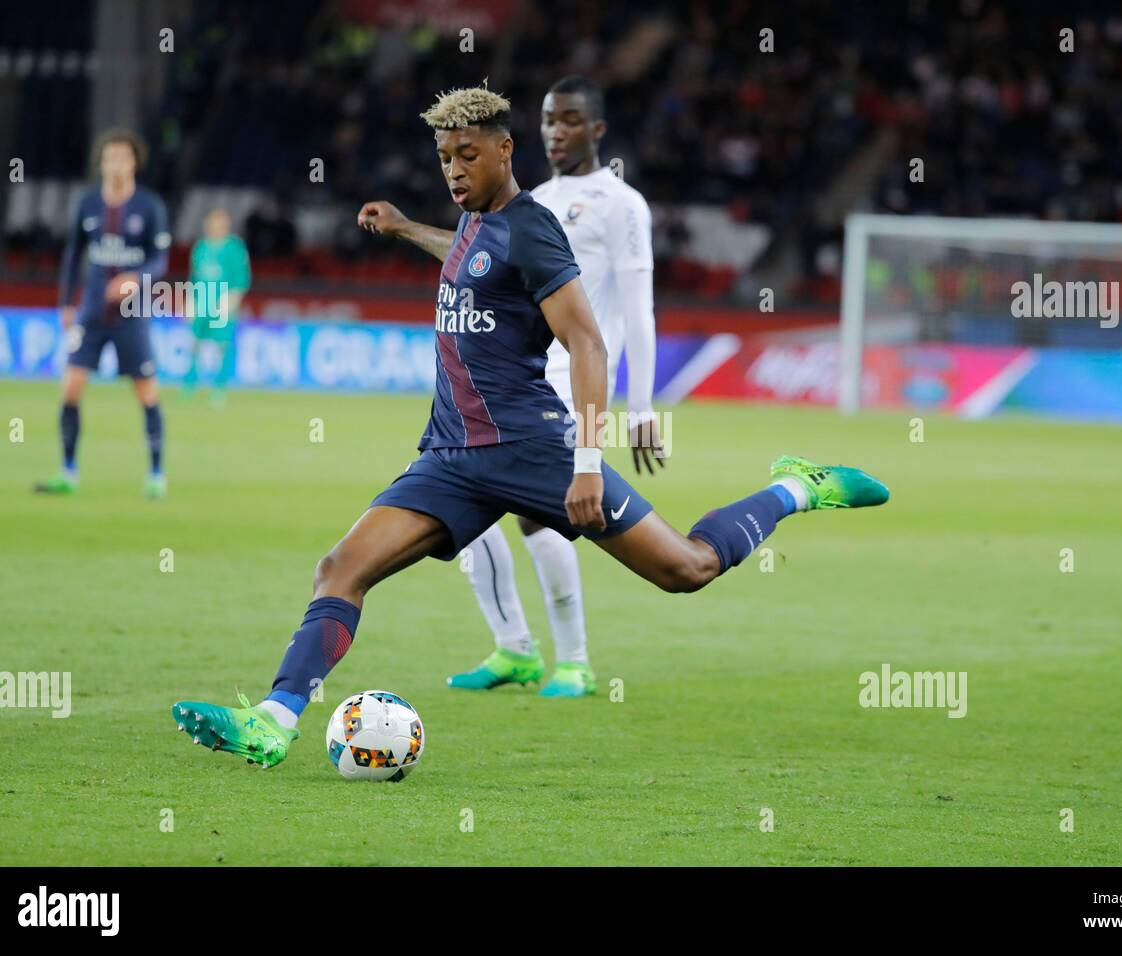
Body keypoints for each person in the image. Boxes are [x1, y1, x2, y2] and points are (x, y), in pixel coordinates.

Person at [171, 86, 888, 770]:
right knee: (340, 568)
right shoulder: (476, 226)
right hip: (452, 456)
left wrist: (585, 461)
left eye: (467, 156)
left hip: (533, 449)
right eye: (445, 157)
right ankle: (273, 719)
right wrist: (403, 227)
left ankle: (797, 487)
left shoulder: (535, 231)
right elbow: (468, 258)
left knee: (686, 569)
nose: (454, 170)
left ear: (506, 149)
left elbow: (587, 344)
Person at [386, 76, 661, 698]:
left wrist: (642, 407)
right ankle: (513, 646)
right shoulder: (528, 199)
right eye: (549, 121)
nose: (556, 132)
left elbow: (636, 311)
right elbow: (472, 255)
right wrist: (407, 228)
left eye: (569, 120)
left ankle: (575, 659)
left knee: (541, 521)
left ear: (597, 129)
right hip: (510, 376)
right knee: (468, 513)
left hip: (569, 385)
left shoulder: (623, 206)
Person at [35, 129, 171, 499]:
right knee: (71, 389)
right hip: (92, 311)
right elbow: (73, 254)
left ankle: (156, 475)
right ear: (101, 163)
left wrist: (134, 278)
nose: (116, 163)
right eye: (110, 157)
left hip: (132, 312)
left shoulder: (149, 207)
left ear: (134, 163)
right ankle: (68, 471)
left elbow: (160, 260)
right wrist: (66, 302)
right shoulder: (88, 204)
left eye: (123, 157)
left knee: (146, 392)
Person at [183, 207, 251, 407]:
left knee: (222, 346)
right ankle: (189, 383)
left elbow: (241, 278)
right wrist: (190, 301)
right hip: (202, 300)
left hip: (223, 302)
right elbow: (193, 277)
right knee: (194, 343)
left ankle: (219, 387)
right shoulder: (201, 247)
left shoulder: (234, 247)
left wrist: (232, 299)